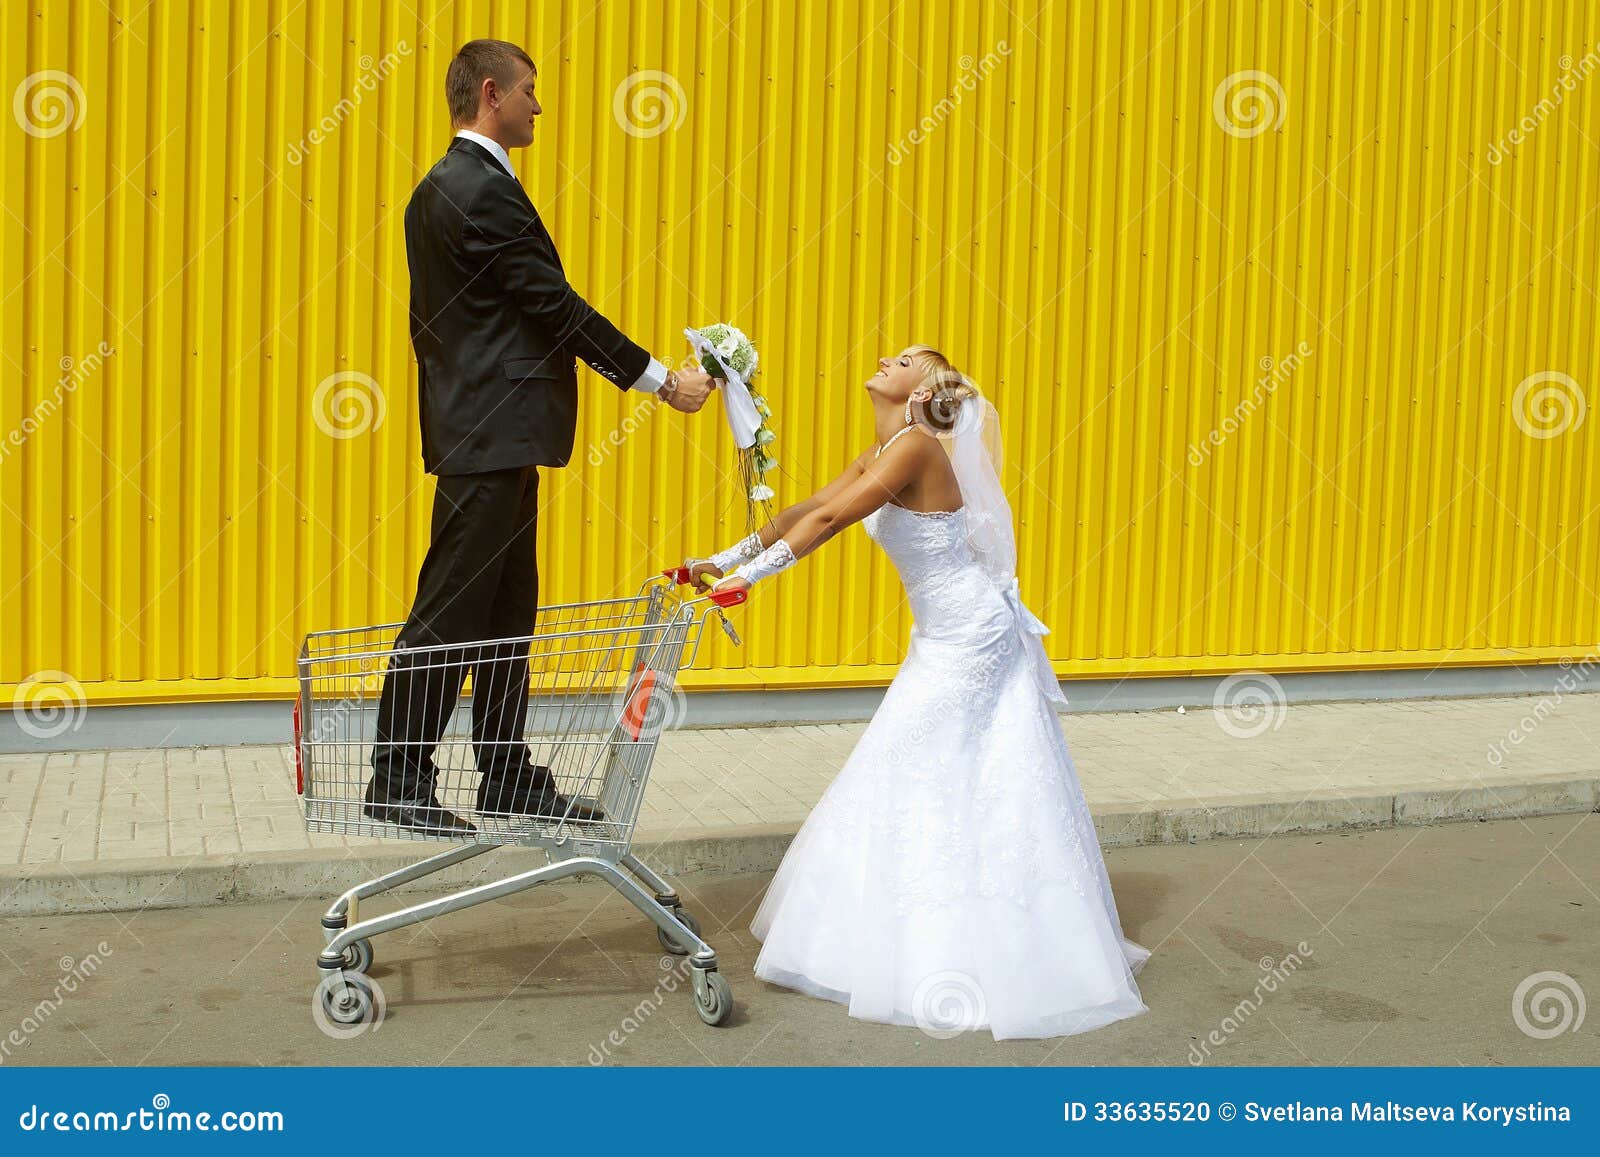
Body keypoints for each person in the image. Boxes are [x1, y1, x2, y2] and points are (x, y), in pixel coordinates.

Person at [687, 346, 1149, 1039]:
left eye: (904, 359)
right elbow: (808, 508)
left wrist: (754, 581)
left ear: (921, 388)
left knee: (909, 759)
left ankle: (969, 946)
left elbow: (833, 524)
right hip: (940, 633)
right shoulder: (885, 446)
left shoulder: (916, 449)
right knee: (921, 767)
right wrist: (719, 561)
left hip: (972, 634)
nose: (884, 357)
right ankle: (900, 935)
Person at [364, 39, 714, 836]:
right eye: (529, 91)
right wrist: (661, 380)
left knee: (505, 614)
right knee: (452, 608)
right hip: (488, 434)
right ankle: (397, 773)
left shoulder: (453, 188)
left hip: (495, 433)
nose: (538, 106)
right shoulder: (474, 190)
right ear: (491, 94)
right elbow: (553, 305)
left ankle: (507, 772)